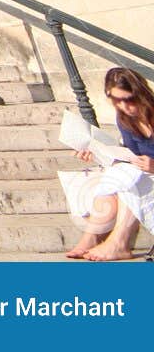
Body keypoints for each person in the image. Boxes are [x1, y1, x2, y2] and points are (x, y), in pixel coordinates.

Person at [65, 67, 154, 260]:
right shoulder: (125, 120)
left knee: (126, 179)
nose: (124, 106)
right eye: (116, 100)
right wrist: (97, 153)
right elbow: (130, 155)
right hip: (143, 175)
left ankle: (119, 243)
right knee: (118, 178)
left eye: (129, 99)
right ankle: (91, 237)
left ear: (141, 93)